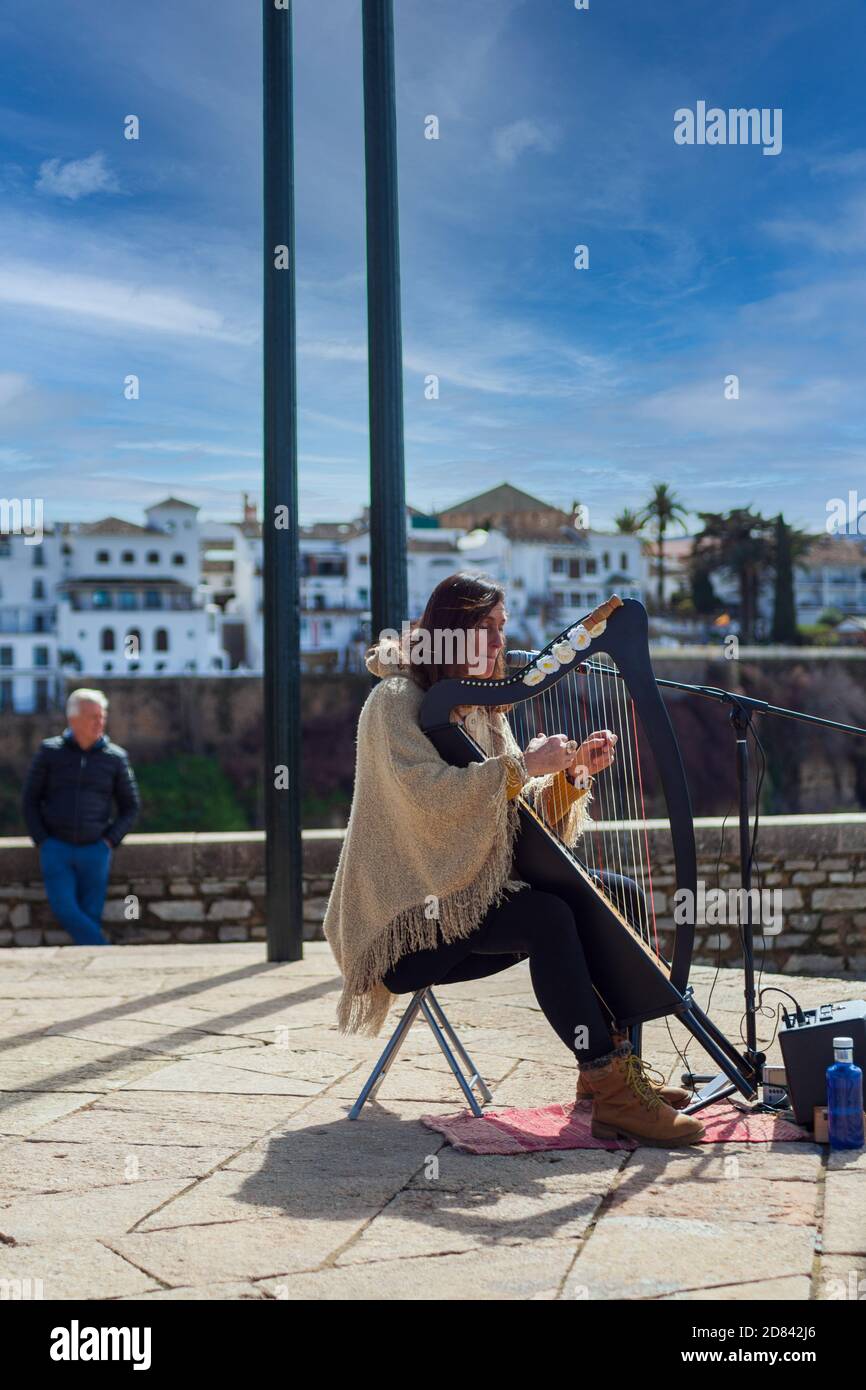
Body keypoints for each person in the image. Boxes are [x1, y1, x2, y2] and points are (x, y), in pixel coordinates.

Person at [323, 573, 703, 1146]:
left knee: (616, 892)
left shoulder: (480, 706)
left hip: (467, 900)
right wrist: (525, 767)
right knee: (547, 918)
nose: (503, 642)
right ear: (452, 633)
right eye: (490, 629)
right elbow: (427, 801)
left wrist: (573, 774)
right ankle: (614, 1092)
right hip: (406, 925)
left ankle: (606, 1073)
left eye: (503, 627)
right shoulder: (394, 701)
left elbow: (513, 825)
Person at [21, 688, 140, 946]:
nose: (100, 722)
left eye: (102, 716)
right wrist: (43, 840)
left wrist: (109, 841)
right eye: (93, 717)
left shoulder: (115, 758)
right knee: (64, 909)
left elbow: (130, 806)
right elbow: (30, 800)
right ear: (73, 720)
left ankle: (92, 972)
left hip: (95, 849)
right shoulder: (50, 752)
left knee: (90, 915)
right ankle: (106, 953)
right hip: (57, 847)